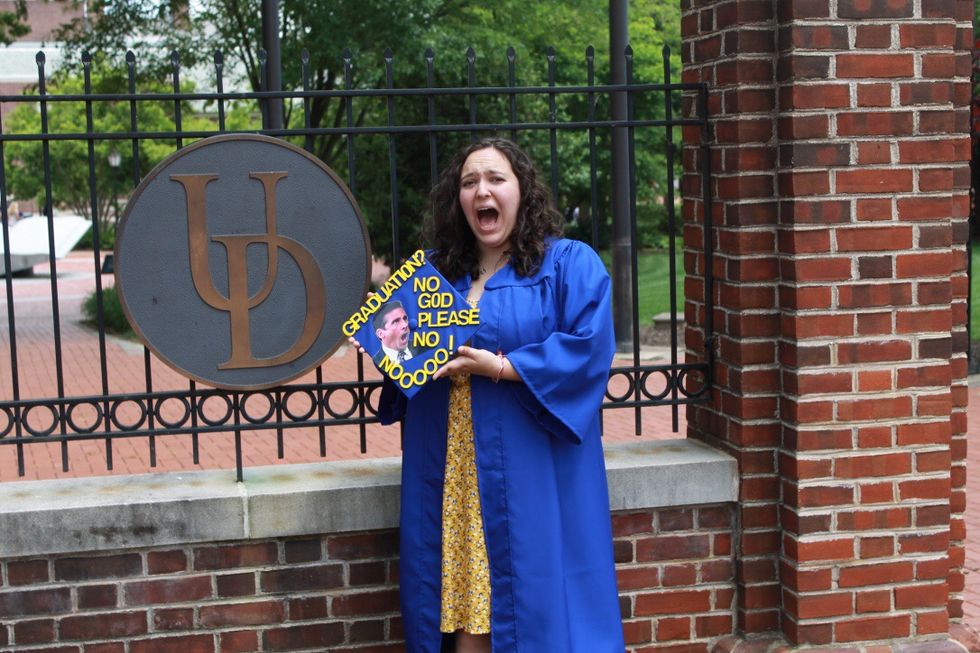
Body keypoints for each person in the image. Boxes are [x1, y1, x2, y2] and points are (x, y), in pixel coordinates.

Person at [361, 138, 624, 653]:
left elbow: (590, 349)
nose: (482, 190)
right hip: (452, 470)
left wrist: (502, 367)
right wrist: (390, 345)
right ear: (457, 199)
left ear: (522, 191)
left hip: (525, 472)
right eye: (468, 182)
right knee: (461, 612)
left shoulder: (567, 265)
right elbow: (402, 365)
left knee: (526, 604)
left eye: (496, 179)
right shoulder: (433, 273)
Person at [372, 300, 421, 366]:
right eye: (396, 322)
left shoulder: (424, 348)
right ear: (380, 334)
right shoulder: (378, 360)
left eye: (405, 318)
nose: (405, 325)